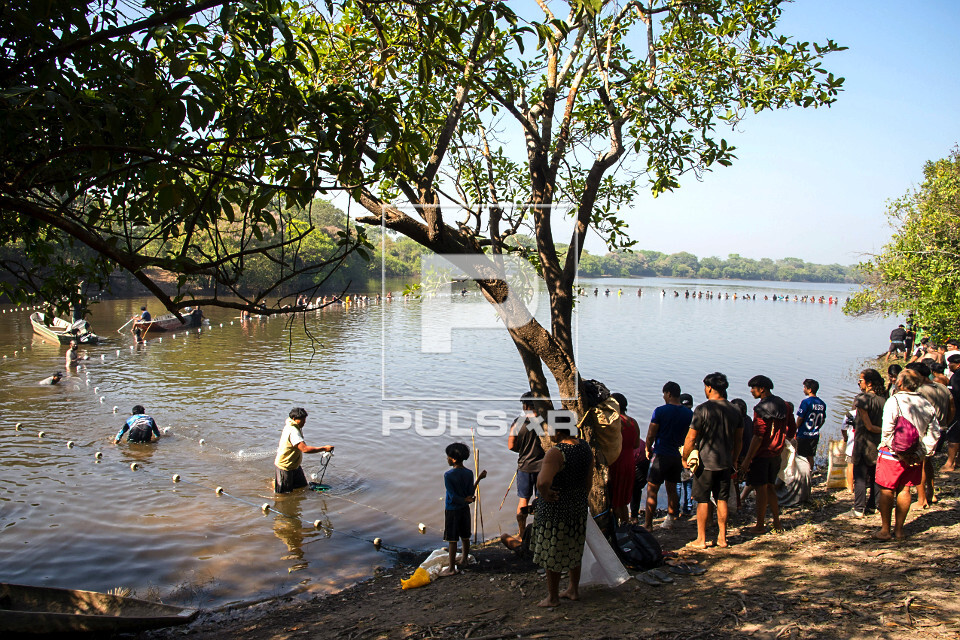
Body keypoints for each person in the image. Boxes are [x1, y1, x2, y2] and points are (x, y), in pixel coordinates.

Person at [531, 421, 593, 607]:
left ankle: (553, 597)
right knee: (574, 545)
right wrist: (581, 496)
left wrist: (545, 494)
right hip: (577, 504)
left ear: (558, 430)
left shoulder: (556, 452)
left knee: (553, 550)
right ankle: (573, 589)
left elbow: (542, 482)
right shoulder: (584, 446)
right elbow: (589, 480)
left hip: (556, 508)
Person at [875, 370, 941, 540]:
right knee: (905, 489)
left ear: (900, 383)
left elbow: (887, 431)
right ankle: (899, 530)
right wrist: (921, 453)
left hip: (892, 454)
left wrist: (898, 452)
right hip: (914, 455)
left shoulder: (894, 401)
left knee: (887, 489)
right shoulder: (926, 404)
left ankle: (885, 530)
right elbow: (934, 432)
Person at [682, 372, 743, 549]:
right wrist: (735, 459)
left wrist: (685, 457)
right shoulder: (735, 410)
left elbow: (691, 438)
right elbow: (739, 440)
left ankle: (701, 539)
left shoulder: (702, 409)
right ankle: (722, 538)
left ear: (709, 388)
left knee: (702, 500)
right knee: (722, 499)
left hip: (705, 462)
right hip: (725, 462)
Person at [739, 375, 795, 533]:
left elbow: (758, 436)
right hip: (776, 453)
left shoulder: (760, 409)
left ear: (762, 389)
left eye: (753, 388)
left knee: (760, 490)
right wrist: (783, 441)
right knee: (771, 487)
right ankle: (777, 522)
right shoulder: (784, 405)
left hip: (762, 455)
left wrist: (747, 459)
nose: (751, 391)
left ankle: (760, 525)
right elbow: (791, 429)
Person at [644, 381, 693, 530]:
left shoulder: (660, 411)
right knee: (672, 489)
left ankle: (648, 524)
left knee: (652, 490)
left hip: (661, 454)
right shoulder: (689, 413)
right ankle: (671, 520)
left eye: (664, 394)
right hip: (677, 456)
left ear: (669, 394)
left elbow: (651, 433)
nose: (664, 397)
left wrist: (647, 448)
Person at [906, 361, 954, 508]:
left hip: (927, 432)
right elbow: (952, 407)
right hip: (942, 430)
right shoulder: (942, 387)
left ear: (918, 375)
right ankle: (931, 493)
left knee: (919, 464)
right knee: (928, 463)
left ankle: (922, 500)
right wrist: (945, 423)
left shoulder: (921, 391)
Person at [847, 369, 888, 518]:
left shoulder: (862, 399)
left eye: (861, 380)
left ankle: (858, 509)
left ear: (869, 383)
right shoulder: (883, 400)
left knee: (860, 477)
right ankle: (872, 506)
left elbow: (868, 426)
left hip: (864, 442)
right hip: (878, 444)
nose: (859, 383)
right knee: (875, 476)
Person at [507, 392, 545, 538]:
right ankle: (539, 532)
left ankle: (522, 533)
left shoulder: (519, 422)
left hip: (525, 466)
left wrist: (521, 449)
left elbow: (511, 446)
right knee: (540, 500)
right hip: (543, 467)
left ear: (527, 406)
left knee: (523, 500)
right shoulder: (545, 421)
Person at [274, 407, 334, 493]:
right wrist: (324, 448)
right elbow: (304, 449)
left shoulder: (292, 425)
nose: (304, 422)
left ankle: (277, 482)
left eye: (304, 420)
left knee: (302, 487)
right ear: (294, 419)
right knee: (284, 494)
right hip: (285, 467)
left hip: (295, 465)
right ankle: (275, 483)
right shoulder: (293, 431)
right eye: (302, 420)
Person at [440, 442, 476, 577]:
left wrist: (464, 500)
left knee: (452, 539)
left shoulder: (448, 475)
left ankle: (451, 568)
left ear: (453, 459)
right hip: (464, 509)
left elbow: (453, 496)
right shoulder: (469, 473)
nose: (447, 459)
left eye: (448, 456)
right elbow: (470, 492)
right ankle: (464, 559)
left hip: (452, 510)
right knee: (465, 536)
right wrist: (467, 499)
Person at [609, 392, 640, 525]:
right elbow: (636, 445)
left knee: (614, 498)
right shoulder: (633, 422)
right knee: (623, 499)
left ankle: (618, 528)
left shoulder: (615, 422)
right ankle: (626, 525)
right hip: (630, 462)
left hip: (617, 462)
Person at [795, 379, 827, 469]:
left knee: (800, 456)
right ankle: (809, 473)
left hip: (803, 434)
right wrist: (816, 428)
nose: (803, 389)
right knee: (810, 456)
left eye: (804, 387)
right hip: (814, 435)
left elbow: (800, 417)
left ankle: (800, 475)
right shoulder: (822, 404)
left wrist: (795, 429)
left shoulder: (806, 402)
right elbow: (823, 419)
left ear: (809, 390)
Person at [941, 354, 960, 472]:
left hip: (957, 410)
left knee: (953, 437)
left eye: (951, 363)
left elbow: (954, 396)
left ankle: (950, 462)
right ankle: (957, 461)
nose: (949, 366)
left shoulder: (956, 377)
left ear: (958, 364)